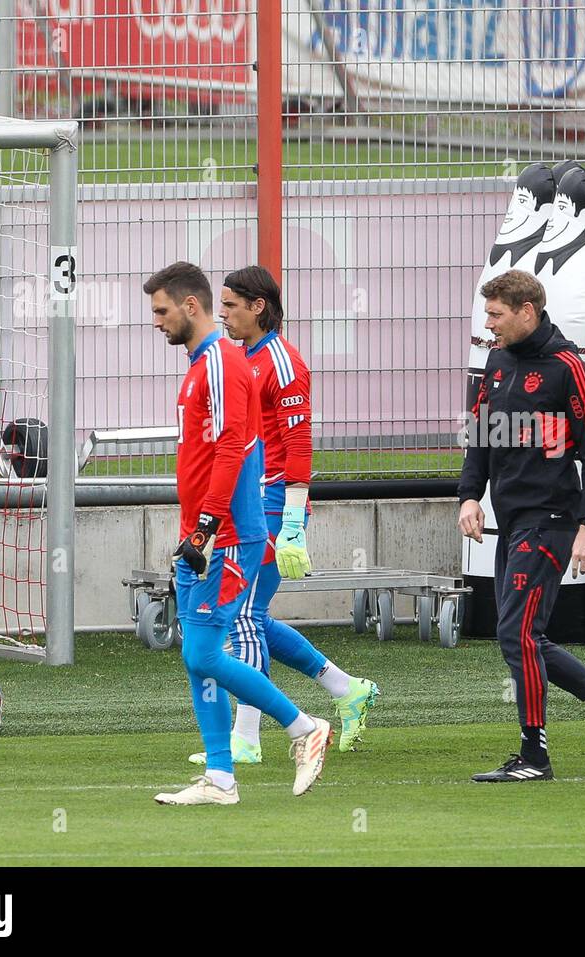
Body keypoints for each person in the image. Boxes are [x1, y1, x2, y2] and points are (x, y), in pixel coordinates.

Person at [144, 261, 332, 805]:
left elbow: (234, 447)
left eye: (161, 311)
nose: (156, 322)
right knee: (198, 653)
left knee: (206, 652)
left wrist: (206, 526)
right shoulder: (204, 361)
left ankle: (303, 728)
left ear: (190, 306)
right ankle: (222, 779)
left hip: (225, 535)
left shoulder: (224, 363)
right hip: (204, 532)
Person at [458, 269, 585, 782]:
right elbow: (479, 437)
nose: (488, 324)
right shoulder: (496, 364)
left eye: (496, 314)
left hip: (553, 521)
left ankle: (535, 758)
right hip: (511, 521)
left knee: (516, 633)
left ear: (527, 311)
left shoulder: (568, 368)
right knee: (524, 638)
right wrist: (469, 497)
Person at [183, 264, 379, 765]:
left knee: (243, 616)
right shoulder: (237, 357)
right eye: (220, 304)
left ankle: (246, 738)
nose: (221, 314)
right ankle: (346, 687)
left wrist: (293, 519)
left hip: (272, 505)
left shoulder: (283, 362)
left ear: (258, 307)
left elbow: (297, 440)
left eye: (229, 305)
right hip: (250, 501)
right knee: (251, 616)